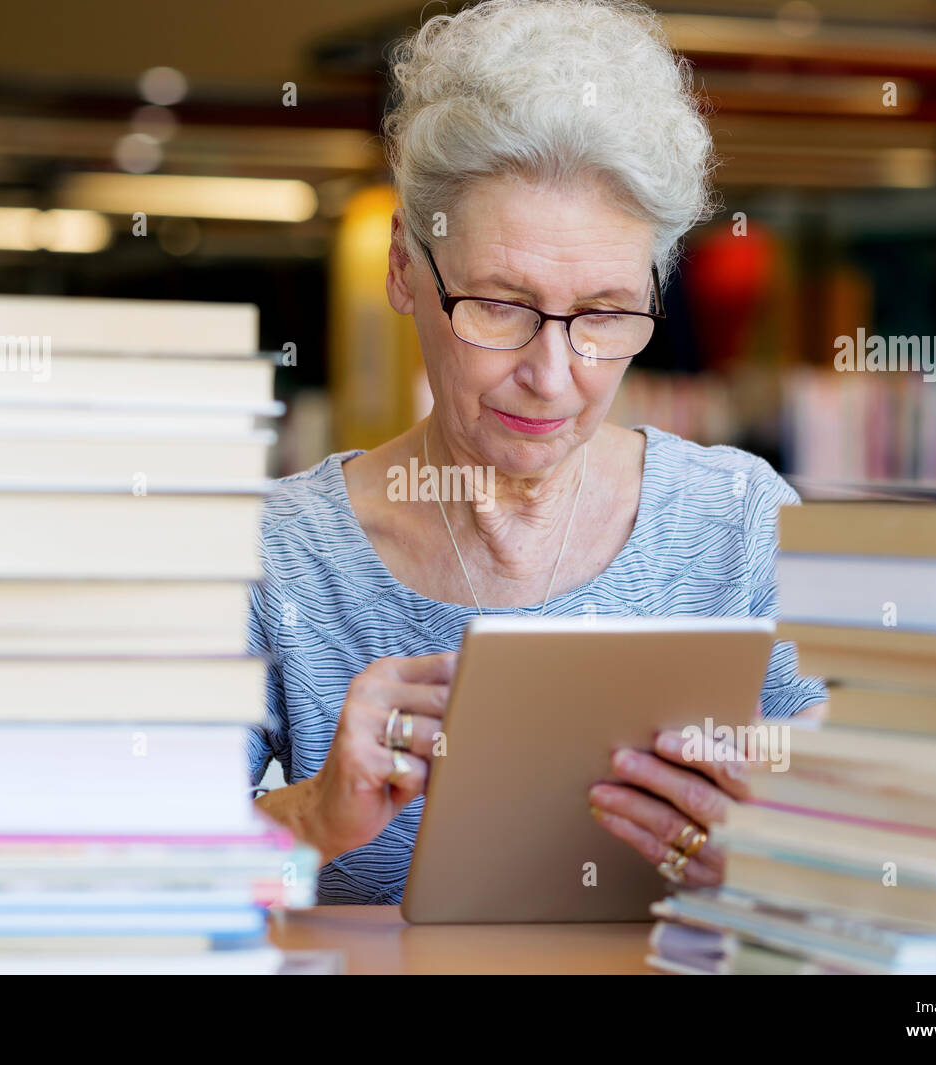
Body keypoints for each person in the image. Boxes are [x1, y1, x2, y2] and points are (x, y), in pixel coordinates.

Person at [251, 0, 827, 905]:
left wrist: (783, 853)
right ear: (406, 266)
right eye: (502, 305)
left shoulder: (740, 524)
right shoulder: (281, 552)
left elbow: (880, 850)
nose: (553, 377)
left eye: (604, 312)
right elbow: (132, 877)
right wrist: (317, 815)